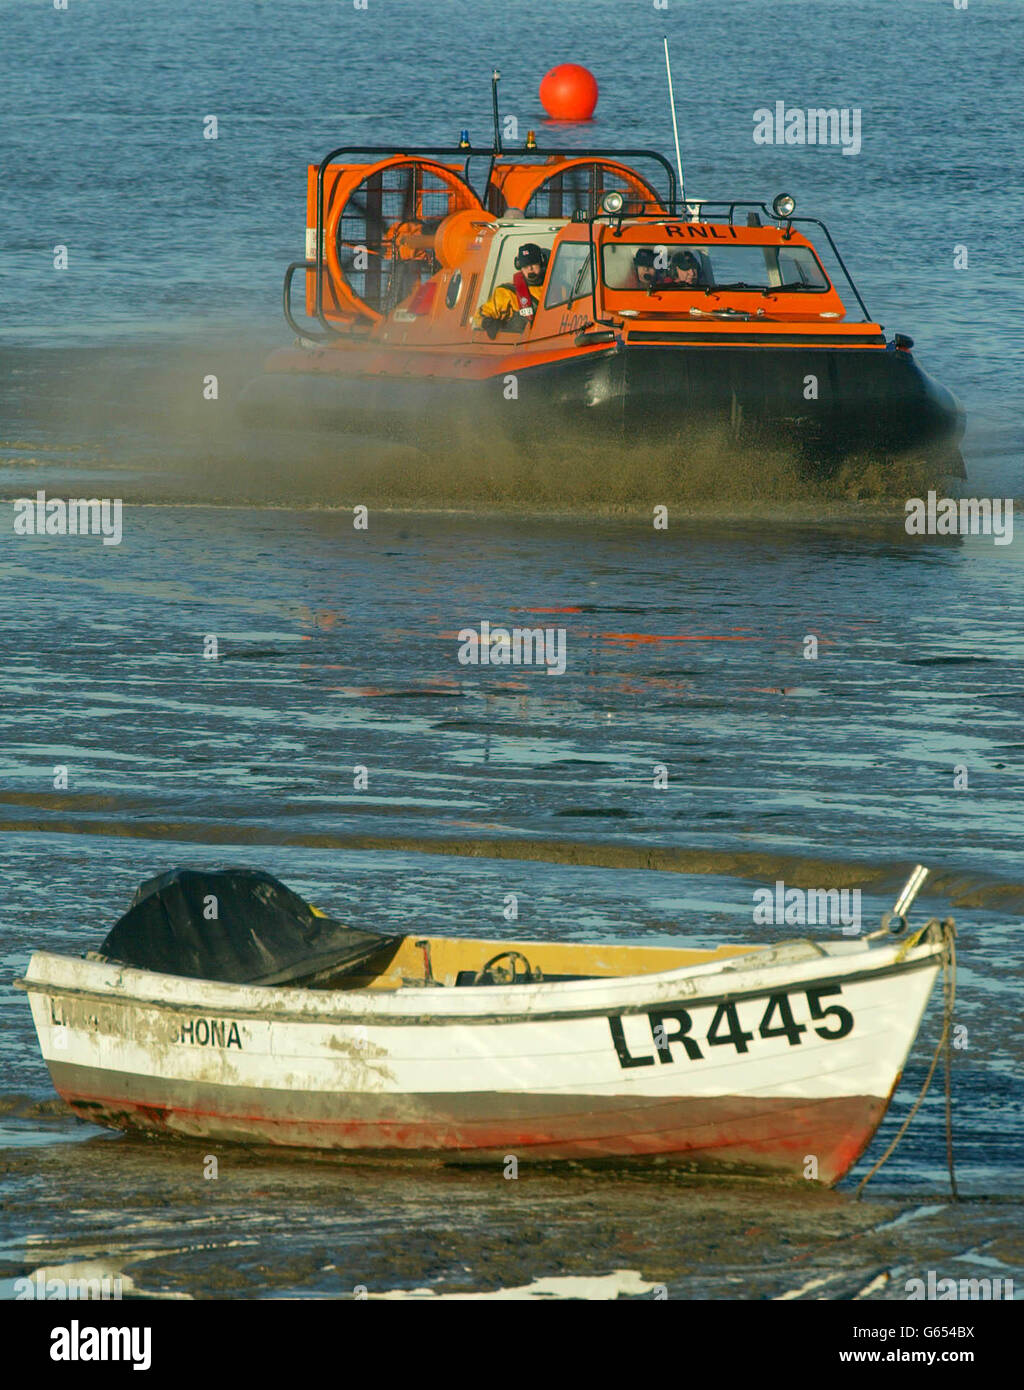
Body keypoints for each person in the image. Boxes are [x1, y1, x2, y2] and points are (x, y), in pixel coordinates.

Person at [473, 242, 549, 335]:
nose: (530, 269)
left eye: (533, 263)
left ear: (542, 262)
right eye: (525, 266)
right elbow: (479, 315)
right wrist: (488, 323)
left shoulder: (555, 288)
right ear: (519, 266)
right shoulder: (507, 292)